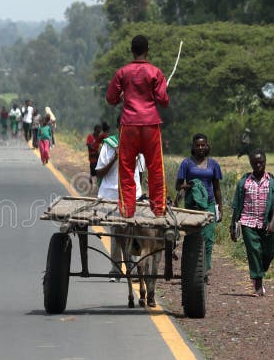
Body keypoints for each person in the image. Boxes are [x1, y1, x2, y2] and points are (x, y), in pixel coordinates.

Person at [105, 34, 170, 218]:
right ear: (147, 51)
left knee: (126, 168)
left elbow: (110, 98)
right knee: (155, 167)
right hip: (151, 124)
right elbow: (163, 101)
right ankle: (158, 209)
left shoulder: (122, 72)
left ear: (132, 51)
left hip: (129, 125)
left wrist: (122, 98)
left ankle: (127, 210)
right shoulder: (156, 72)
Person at [95, 116, 145, 280]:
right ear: (118, 127)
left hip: (133, 194)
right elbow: (99, 172)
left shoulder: (138, 144)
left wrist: (137, 191)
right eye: (123, 125)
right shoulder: (109, 145)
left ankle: (135, 269)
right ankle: (116, 270)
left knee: (135, 230)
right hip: (112, 195)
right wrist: (114, 158)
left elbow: (141, 172)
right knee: (116, 232)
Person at [229, 148, 274, 297]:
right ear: (251, 163)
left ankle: (260, 271)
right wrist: (233, 225)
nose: (258, 165)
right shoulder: (244, 182)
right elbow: (236, 204)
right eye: (255, 163)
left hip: (265, 223)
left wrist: (272, 222)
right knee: (254, 252)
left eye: (261, 162)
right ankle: (258, 284)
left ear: (265, 162)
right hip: (248, 222)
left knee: (269, 253)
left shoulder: (273, 182)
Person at [176, 133, 223, 279]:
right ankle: (191, 269)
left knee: (208, 238)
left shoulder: (213, 164)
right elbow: (178, 185)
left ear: (207, 146)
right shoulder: (186, 163)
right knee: (192, 238)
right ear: (193, 147)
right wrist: (189, 185)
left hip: (208, 205)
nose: (200, 148)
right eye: (197, 145)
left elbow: (217, 188)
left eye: (203, 145)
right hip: (192, 206)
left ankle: (205, 270)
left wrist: (220, 207)